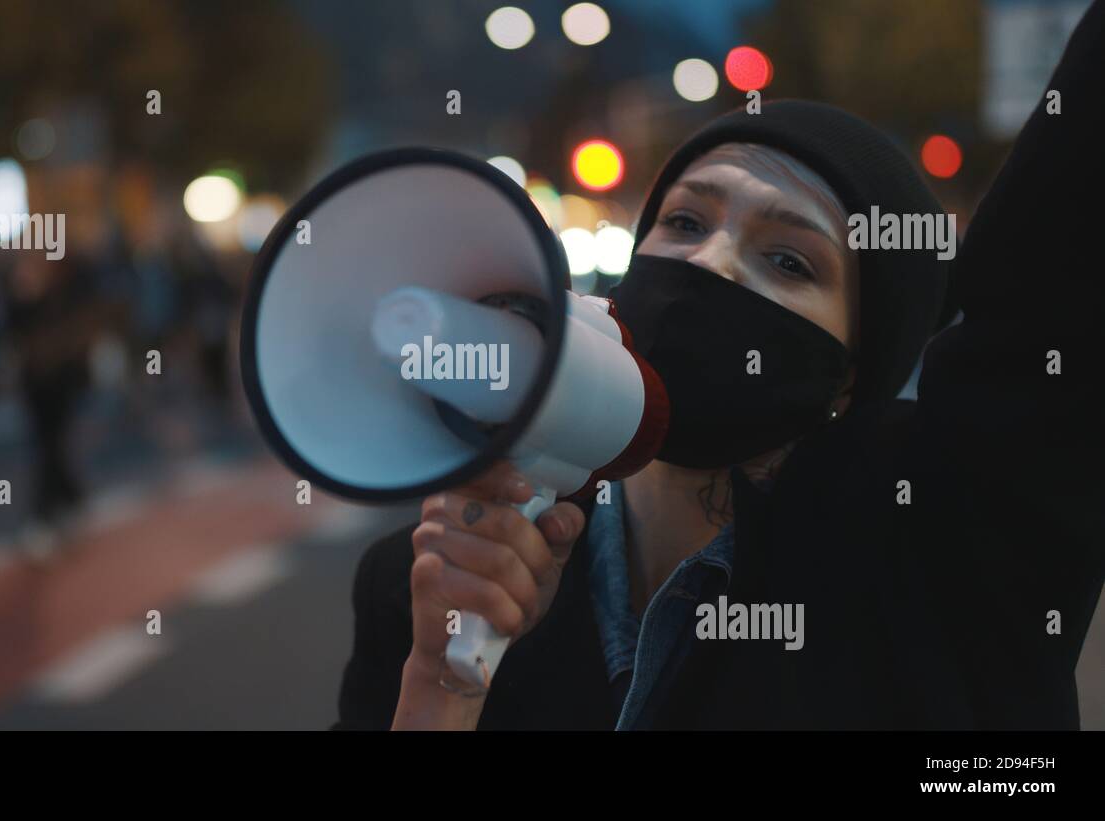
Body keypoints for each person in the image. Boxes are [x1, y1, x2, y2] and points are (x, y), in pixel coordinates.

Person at [333, 1, 1105, 730]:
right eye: (685, 220)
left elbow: (1059, 248)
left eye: (789, 260)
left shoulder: (943, 563)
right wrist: (437, 685)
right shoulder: (425, 584)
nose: (713, 262)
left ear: (849, 372)